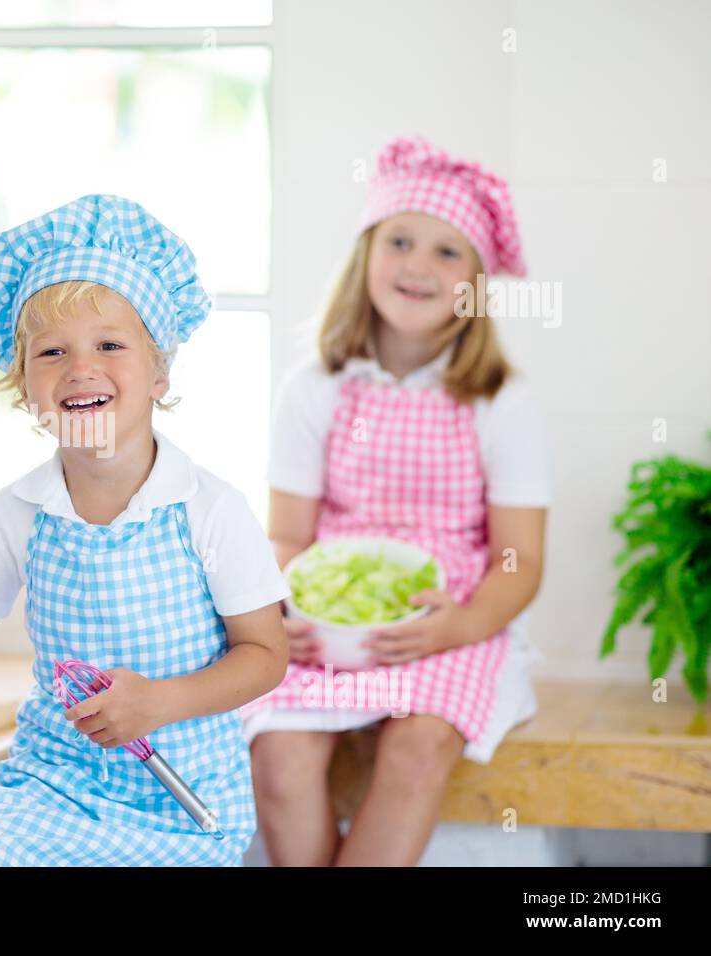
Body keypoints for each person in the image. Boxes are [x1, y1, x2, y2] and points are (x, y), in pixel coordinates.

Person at [0, 193, 289, 865]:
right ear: (24, 385)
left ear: (158, 371)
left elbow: (265, 656)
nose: (81, 367)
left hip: (186, 800)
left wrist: (161, 703)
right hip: (53, 786)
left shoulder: (210, 508)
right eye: (51, 352)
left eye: (110, 344)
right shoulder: (19, 511)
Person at [242, 137, 551, 866]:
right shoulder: (314, 387)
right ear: (365, 256)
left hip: (450, 618)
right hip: (331, 622)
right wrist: (289, 611)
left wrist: (463, 623)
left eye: (448, 252)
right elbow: (286, 534)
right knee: (280, 751)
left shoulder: (500, 401)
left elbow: (522, 557)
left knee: (418, 745)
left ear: (476, 281)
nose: (418, 264)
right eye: (401, 240)